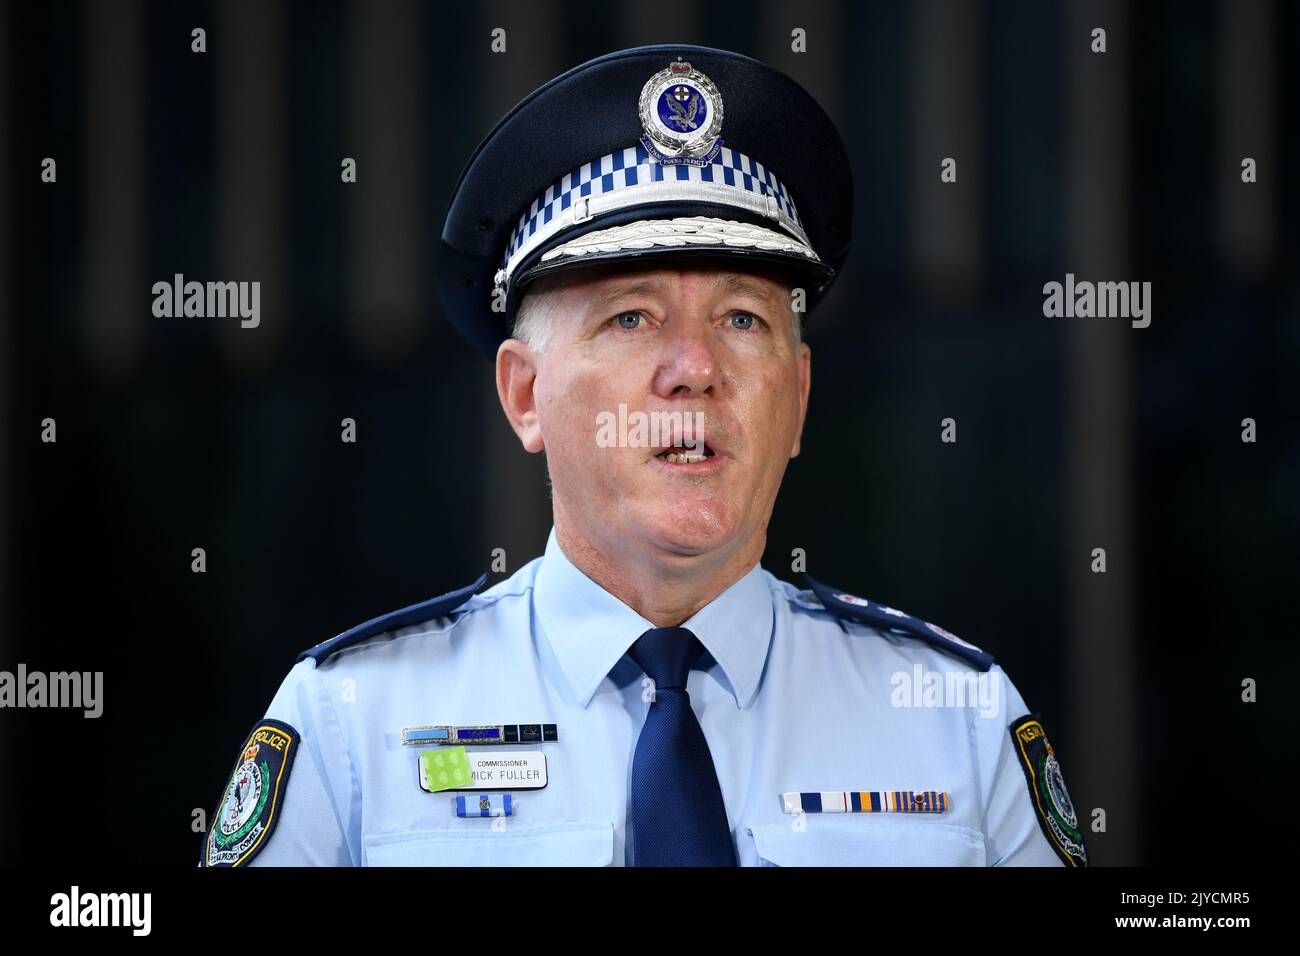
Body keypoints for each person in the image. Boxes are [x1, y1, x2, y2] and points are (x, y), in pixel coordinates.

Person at [200, 44, 1087, 867]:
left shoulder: (959, 726)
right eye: (631, 317)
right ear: (523, 396)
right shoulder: (350, 728)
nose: (696, 370)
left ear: (800, 398)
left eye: (742, 319)